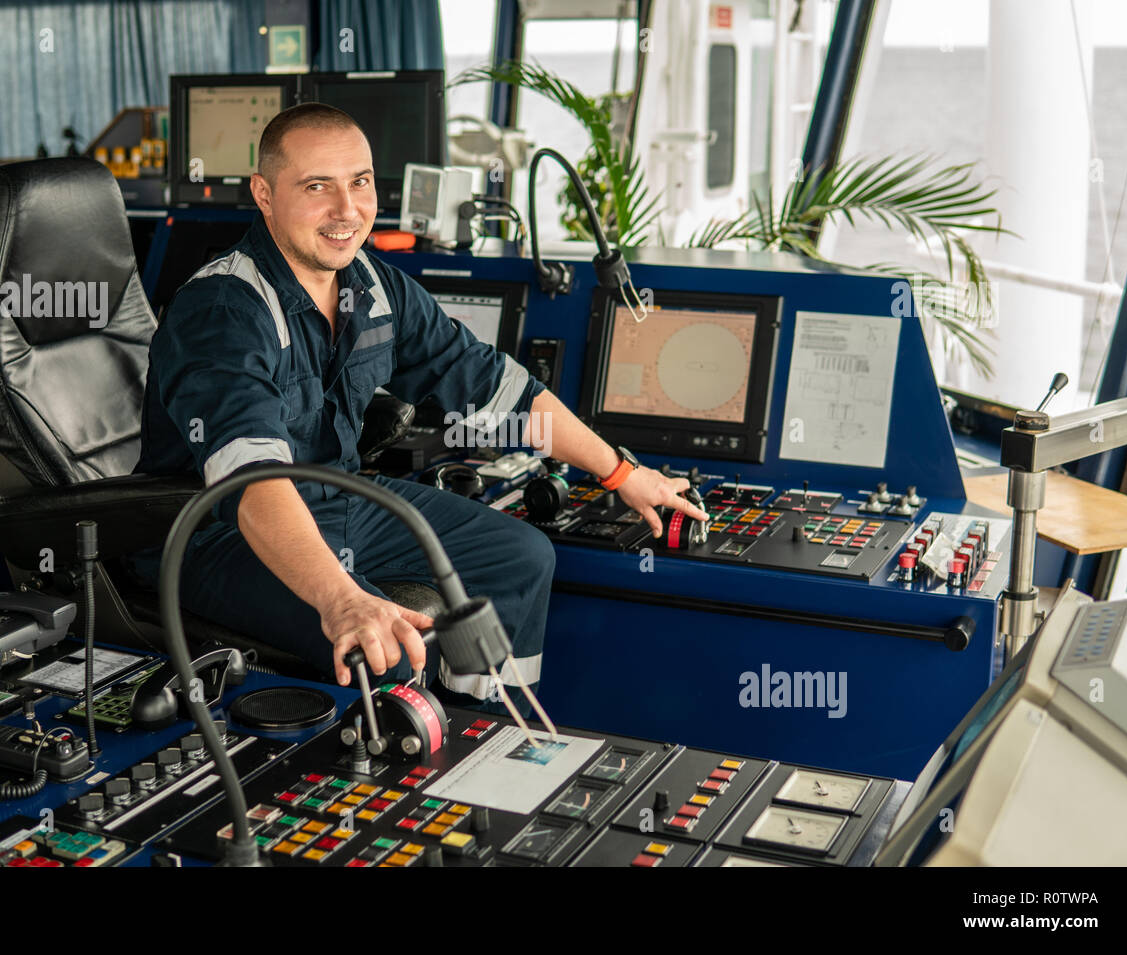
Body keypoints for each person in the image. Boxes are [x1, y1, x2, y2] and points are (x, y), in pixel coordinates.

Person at [131, 103, 708, 711]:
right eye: (316, 186)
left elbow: (495, 388)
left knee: (520, 557)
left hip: (337, 497)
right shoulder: (224, 310)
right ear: (264, 195)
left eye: (360, 182)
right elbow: (254, 484)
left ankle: (483, 728)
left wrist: (622, 473)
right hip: (221, 533)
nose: (347, 210)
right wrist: (343, 600)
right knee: (384, 642)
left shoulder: (375, 288)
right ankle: (394, 778)